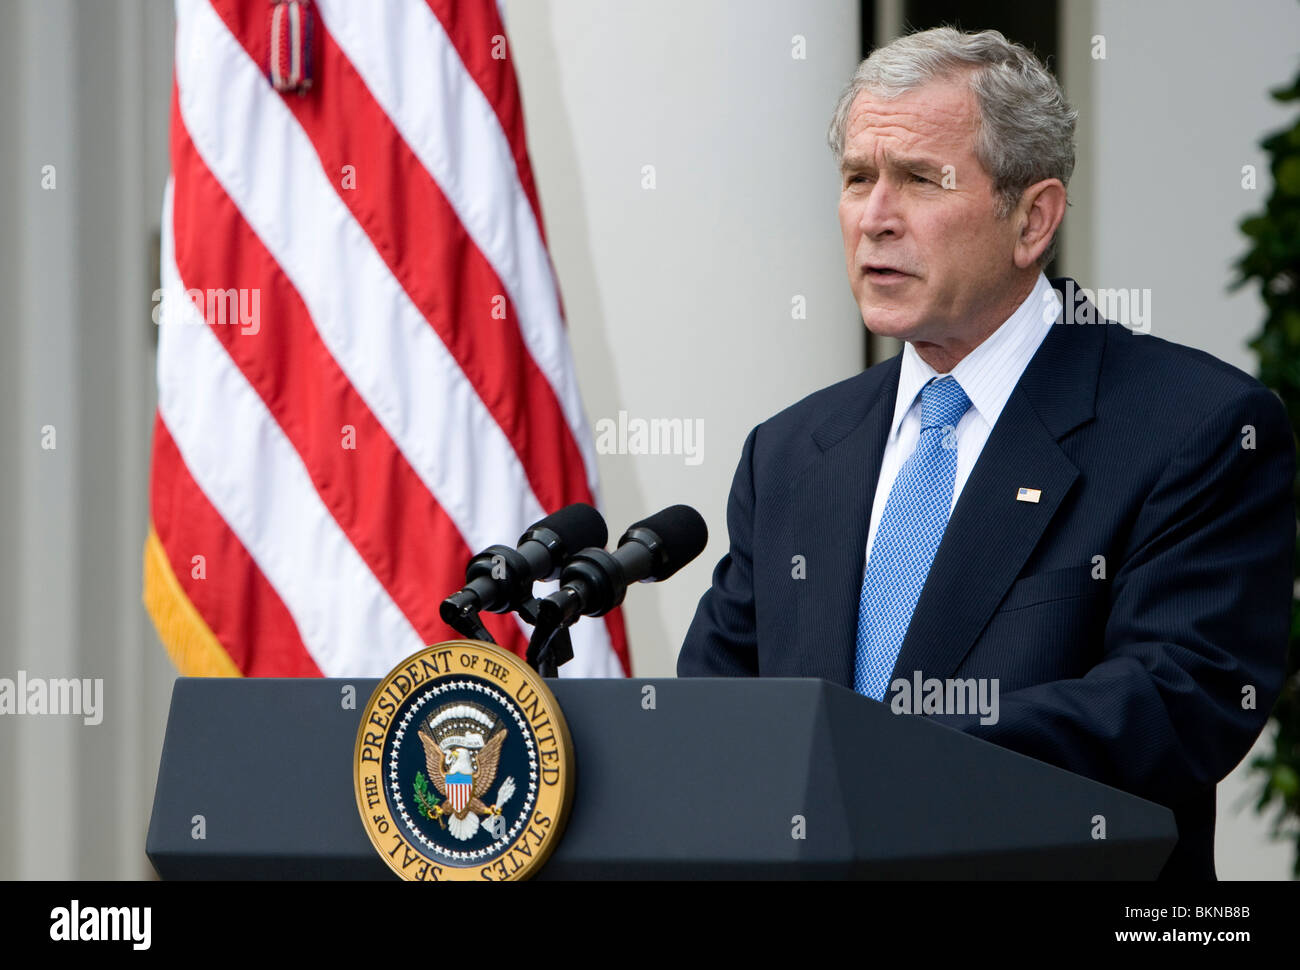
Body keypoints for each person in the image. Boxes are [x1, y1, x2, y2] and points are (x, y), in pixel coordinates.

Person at [676, 26, 1296, 880]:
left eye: (922, 181)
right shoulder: (790, 452)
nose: (876, 218)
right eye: (858, 178)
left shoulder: (1193, 424)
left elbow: (1178, 702)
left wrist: (869, 761)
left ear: (1033, 218)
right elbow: (717, 720)